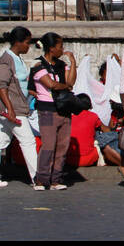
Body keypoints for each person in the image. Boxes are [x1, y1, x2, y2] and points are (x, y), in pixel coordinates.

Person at [0, 27, 40, 188]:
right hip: (14, 108)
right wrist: (10, 109)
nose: (29, 46)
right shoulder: (7, 60)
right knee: (28, 142)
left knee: (0, 141)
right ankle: (37, 177)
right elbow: (2, 85)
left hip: (16, 106)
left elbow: (18, 84)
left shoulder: (17, 58)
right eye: (27, 43)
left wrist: (31, 91)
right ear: (18, 42)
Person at [31, 32, 76, 191]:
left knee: (62, 146)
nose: (62, 49)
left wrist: (72, 62)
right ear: (51, 48)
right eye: (60, 46)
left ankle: (56, 179)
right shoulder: (38, 65)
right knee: (49, 145)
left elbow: (71, 81)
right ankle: (42, 179)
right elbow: (52, 85)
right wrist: (66, 87)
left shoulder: (61, 65)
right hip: (47, 110)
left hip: (64, 110)